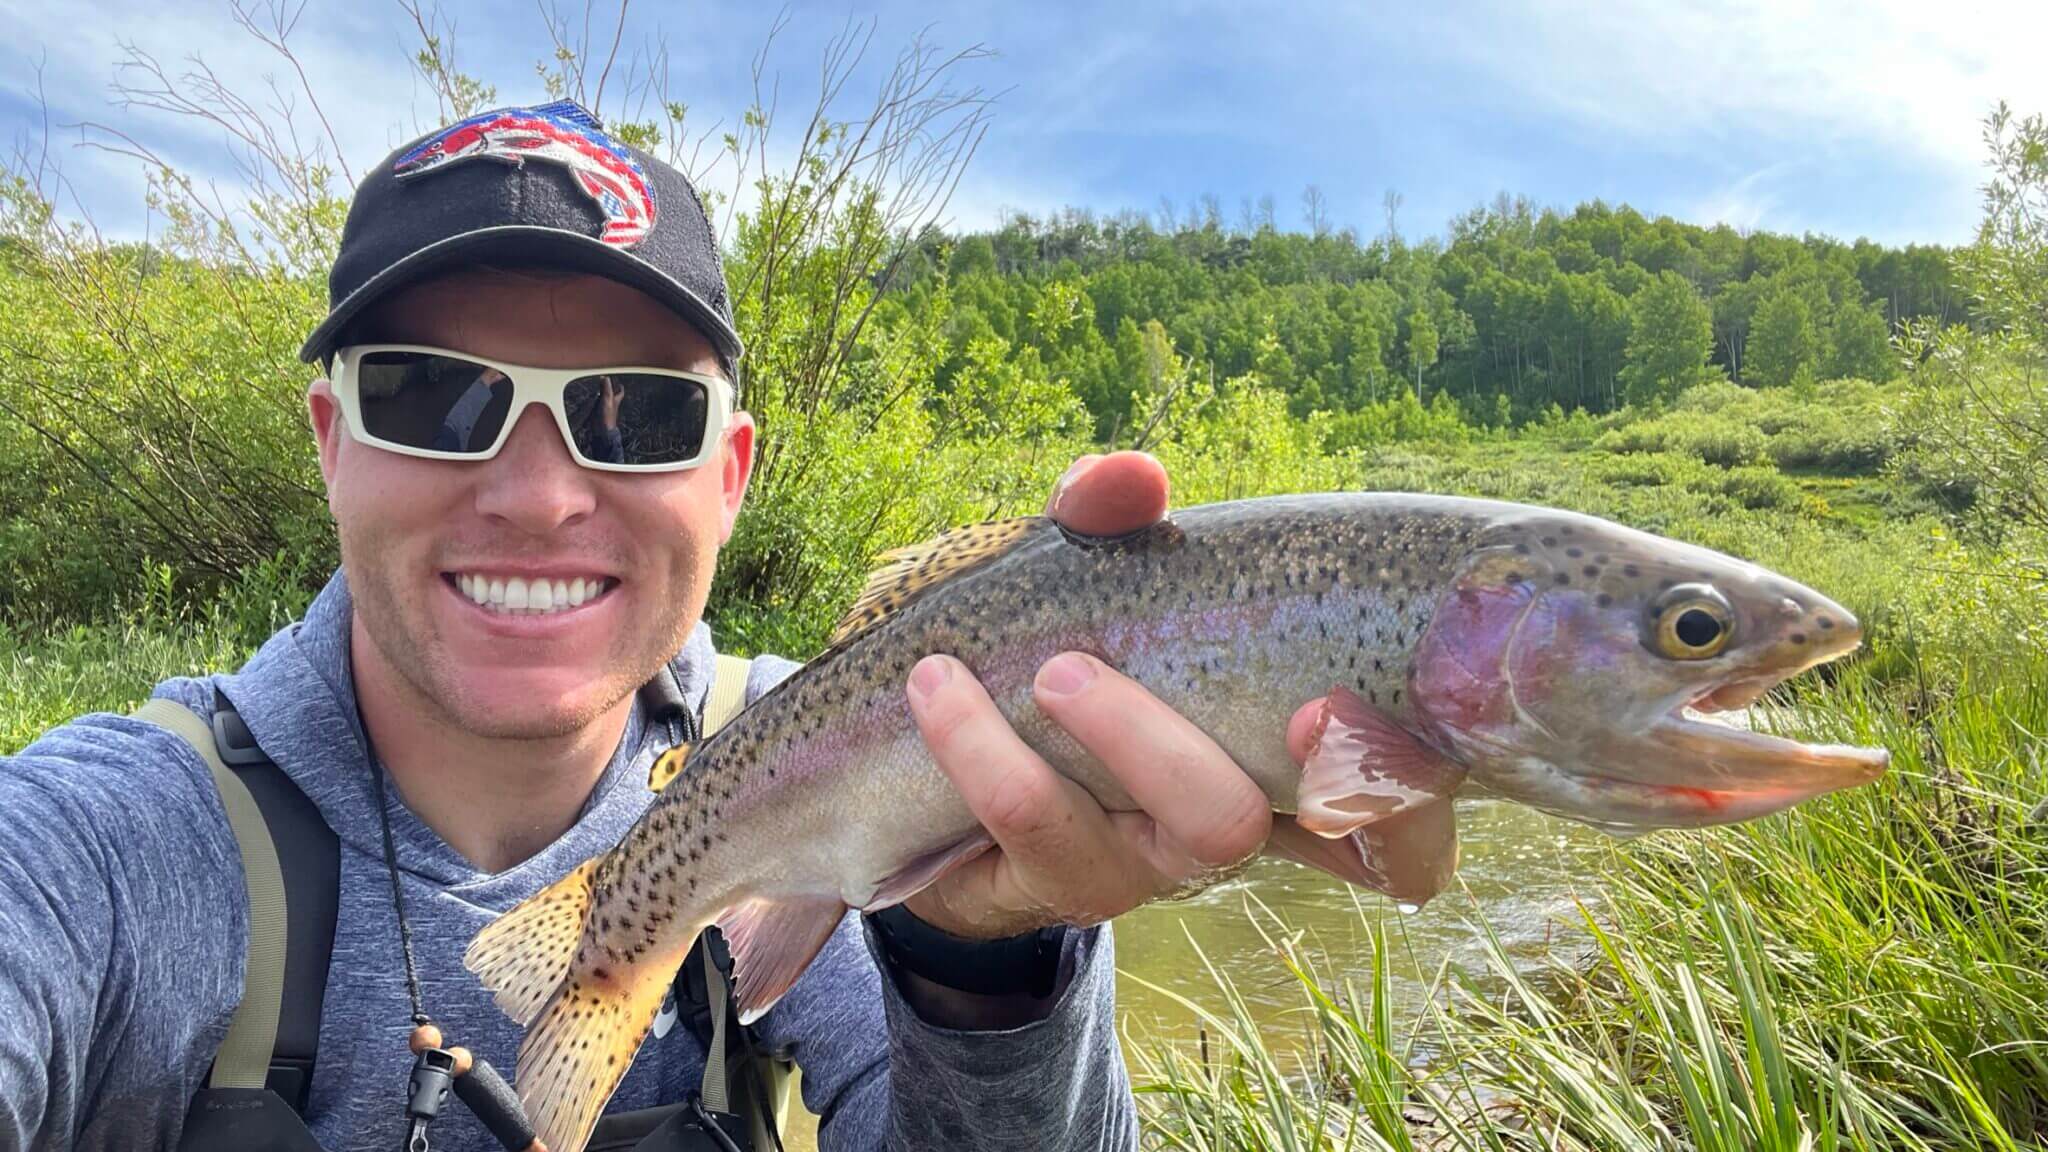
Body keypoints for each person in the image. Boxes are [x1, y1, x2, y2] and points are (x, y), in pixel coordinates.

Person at [0, 102, 1281, 1152]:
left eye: (633, 416)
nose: (541, 491)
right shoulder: (101, 849)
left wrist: (977, 962)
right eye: (436, 399)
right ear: (333, 448)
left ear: (726, 479)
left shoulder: (883, 747)